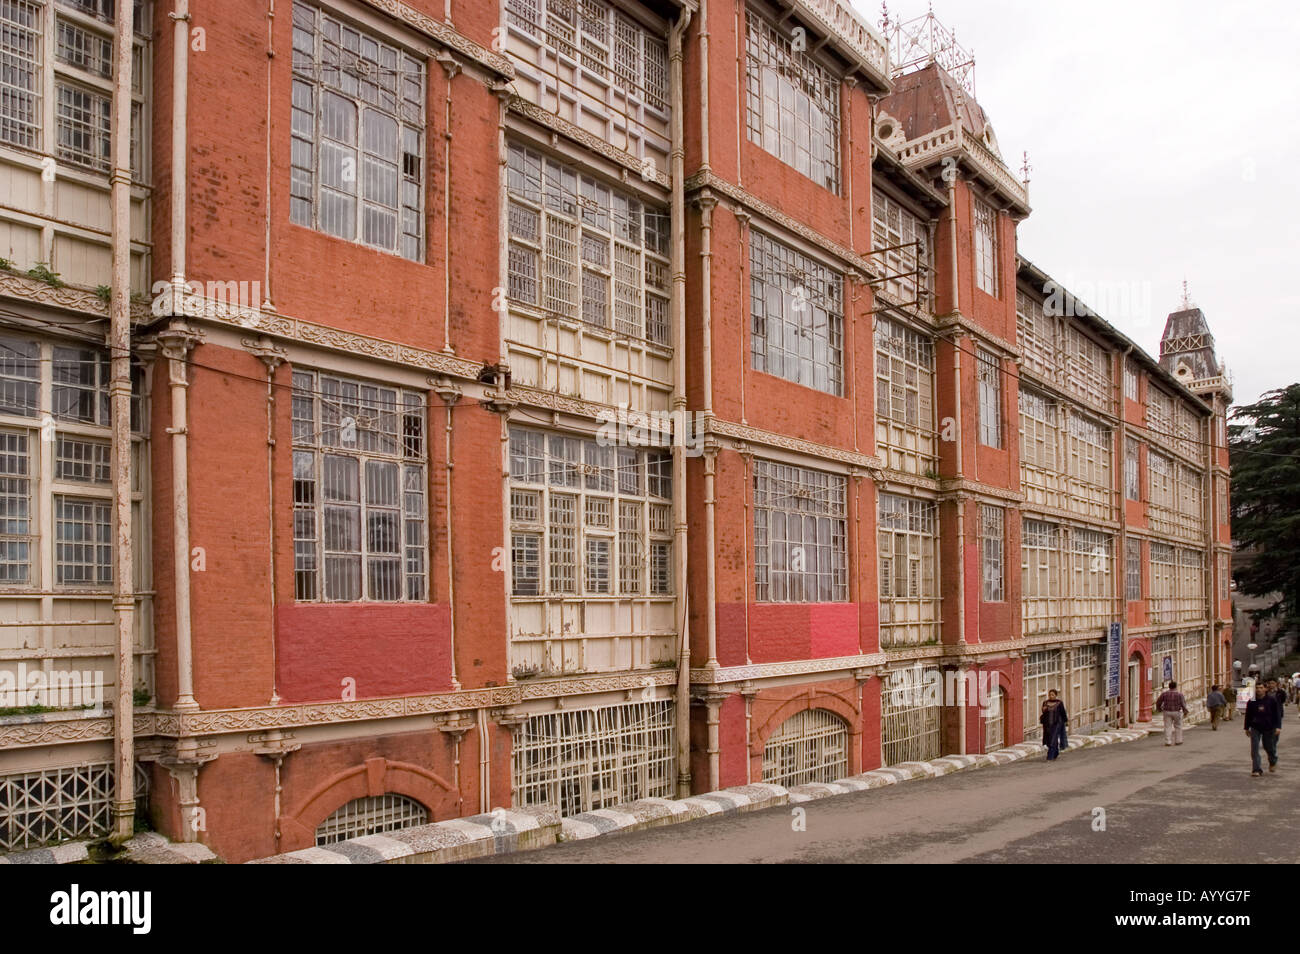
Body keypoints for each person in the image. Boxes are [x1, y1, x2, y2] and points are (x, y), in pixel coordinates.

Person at [1245, 681, 1281, 776]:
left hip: (1269, 727)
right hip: (1255, 726)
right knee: (1254, 749)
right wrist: (1246, 727)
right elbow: (1248, 715)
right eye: (1257, 688)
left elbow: (1277, 714)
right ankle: (1256, 769)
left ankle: (1273, 761)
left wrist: (1278, 727)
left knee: (1268, 746)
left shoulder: (1271, 700)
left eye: (1261, 688)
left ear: (1265, 689)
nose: (1259, 690)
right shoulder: (1252, 701)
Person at [1155, 680, 1190, 745]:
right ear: (1176, 687)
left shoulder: (1164, 694)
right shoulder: (1180, 694)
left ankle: (1168, 741)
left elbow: (1158, 702)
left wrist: (1159, 709)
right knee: (1178, 726)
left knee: (1168, 726)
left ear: (1169, 687)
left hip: (1167, 711)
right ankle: (1178, 740)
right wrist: (1185, 711)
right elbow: (1183, 704)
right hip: (1177, 712)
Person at [1040, 689, 1069, 761]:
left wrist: (1066, 721)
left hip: (1057, 724)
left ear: (1056, 695)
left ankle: (1049, 757)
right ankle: (1055, 753)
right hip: (1047, 724)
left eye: (1052, 695)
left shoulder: (1059, 703)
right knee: (1049, 740)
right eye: (1050, 695)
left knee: (1053, 739)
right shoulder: (1045, 703)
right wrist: (1044, 709)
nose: (1051, 696)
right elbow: (1043, 712)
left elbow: (1063, 713)